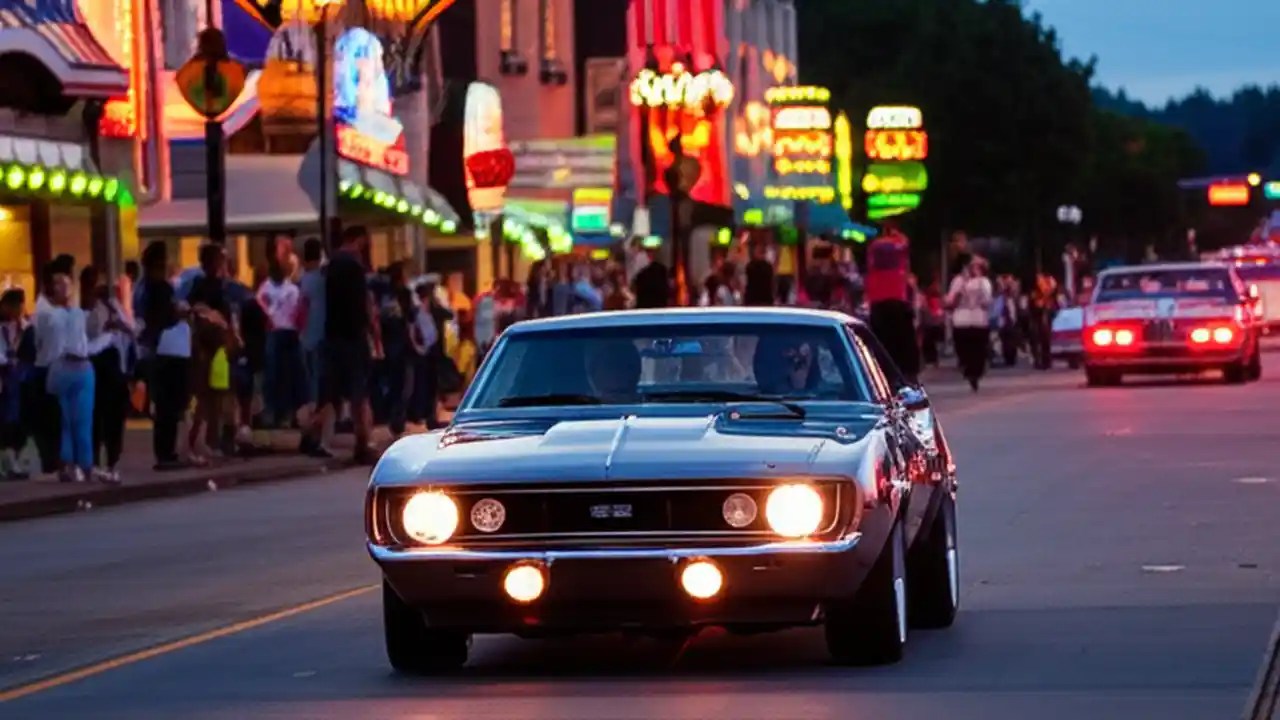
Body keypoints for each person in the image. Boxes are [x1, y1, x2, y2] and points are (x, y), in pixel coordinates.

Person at [322, 226, 380, 464]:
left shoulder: (331, 265)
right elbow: (364, 305)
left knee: (330, 392)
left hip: (333, 334)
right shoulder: (355, 267)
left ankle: (318, 437)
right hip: (354, 336)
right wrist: (373, 334)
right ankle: (363, 442)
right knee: (359, 393)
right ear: (358, 241)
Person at [38, 265, 99, 483]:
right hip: (61, 366)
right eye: (57, 284)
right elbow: (45, 344)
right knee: (64, 419)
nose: (63, 287)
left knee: (82, 419)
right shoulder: (48, 315)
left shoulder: (78, 313)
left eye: (66, 283)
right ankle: (68, 465)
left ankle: (86, 465)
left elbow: (90, 338)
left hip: (81, 366)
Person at [140, 241, 191, 470]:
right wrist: (178, 313)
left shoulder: (146, 287)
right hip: (168, 351)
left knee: (164, 406)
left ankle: (165, 452)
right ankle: (165, 453)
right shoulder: (160, 289)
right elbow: (163, 318)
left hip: (159, 350)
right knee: (168, 406)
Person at [84, 267, 134, 484]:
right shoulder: (86, 309)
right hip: (97, 362)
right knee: (97, 416)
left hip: (117, 365)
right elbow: (88, 336)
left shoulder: (114, 306)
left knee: (115, 416)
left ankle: (112, 460)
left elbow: (132, 328)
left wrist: (121, 324)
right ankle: (93, 460)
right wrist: (105, 327)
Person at [865, 220, 921, 382]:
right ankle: (907, 375)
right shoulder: (899, 245)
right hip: (897, 300)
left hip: (877, 303)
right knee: (904, 341)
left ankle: (884, 375)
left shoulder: (874, 248)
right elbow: (904, 243)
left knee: (882, 343)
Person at [257, 254, 304, 428]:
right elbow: (260, 303)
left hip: (290, 332)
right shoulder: (266, 287)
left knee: (289, 375)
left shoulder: (292, 289)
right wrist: (267, 317)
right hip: (274, 332)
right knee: (272, 375)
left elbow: (299, 311)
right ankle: (272, 412)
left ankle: (288, 413)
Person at [297, 238, 331, 456]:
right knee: (321, 395)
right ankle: (314, 437)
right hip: (321, 340)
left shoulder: (302, 280)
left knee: (310, 392)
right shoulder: (322, 280)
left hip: (305, 340)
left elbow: (301, 311)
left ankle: (308, 435)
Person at [947, 255, 993, 391]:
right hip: (962, 319)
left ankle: (975, 373)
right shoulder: (958, 281)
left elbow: (987, 301)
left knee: (978, 350)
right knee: (965, 349)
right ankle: (968, 370)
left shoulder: (983, 282)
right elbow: (951, 300)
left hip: (978, 319)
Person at [0, 290, 28, 479]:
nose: (18, 311)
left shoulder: (24, 327)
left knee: (16, 421)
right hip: (3, 373)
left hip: (17, 377)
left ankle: (13, 462)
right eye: (14, 306)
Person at [743, 242, 775, 306]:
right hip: (752, 301)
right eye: (758, 251)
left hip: (765, 301)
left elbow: (771, 284)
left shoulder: (768, 267)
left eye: (761, 251)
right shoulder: (750, 266)